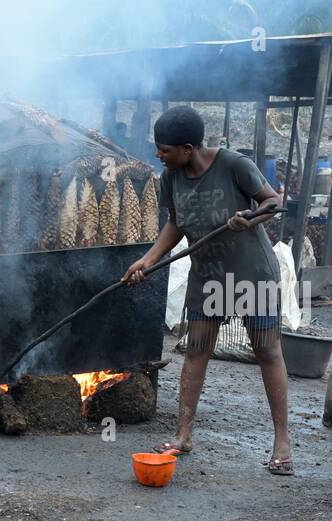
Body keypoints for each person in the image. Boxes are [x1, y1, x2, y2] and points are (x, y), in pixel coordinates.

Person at [122, 106, 292, 476]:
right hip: (208, 275)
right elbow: (176, 224)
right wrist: (148, 260)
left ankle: (282, 442)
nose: (158, 155)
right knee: (196, 350)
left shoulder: (233, 164)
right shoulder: (171, 176)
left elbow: (274, 202)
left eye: (164, 149)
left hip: (252, 274)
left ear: (188, 148)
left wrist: (249, 218)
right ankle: (183, 435)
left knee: (266, 350)